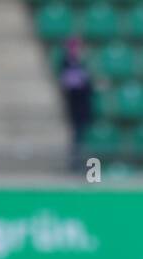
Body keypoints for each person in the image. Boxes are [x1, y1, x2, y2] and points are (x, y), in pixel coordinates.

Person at [57, 36, 95, 172]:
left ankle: (81, 163)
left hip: (83, 105)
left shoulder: (82, 63)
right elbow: (71, 84)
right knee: (77, 135)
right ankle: (75, 163)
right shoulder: (67, 64)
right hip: (75, 105)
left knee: (81, 135)